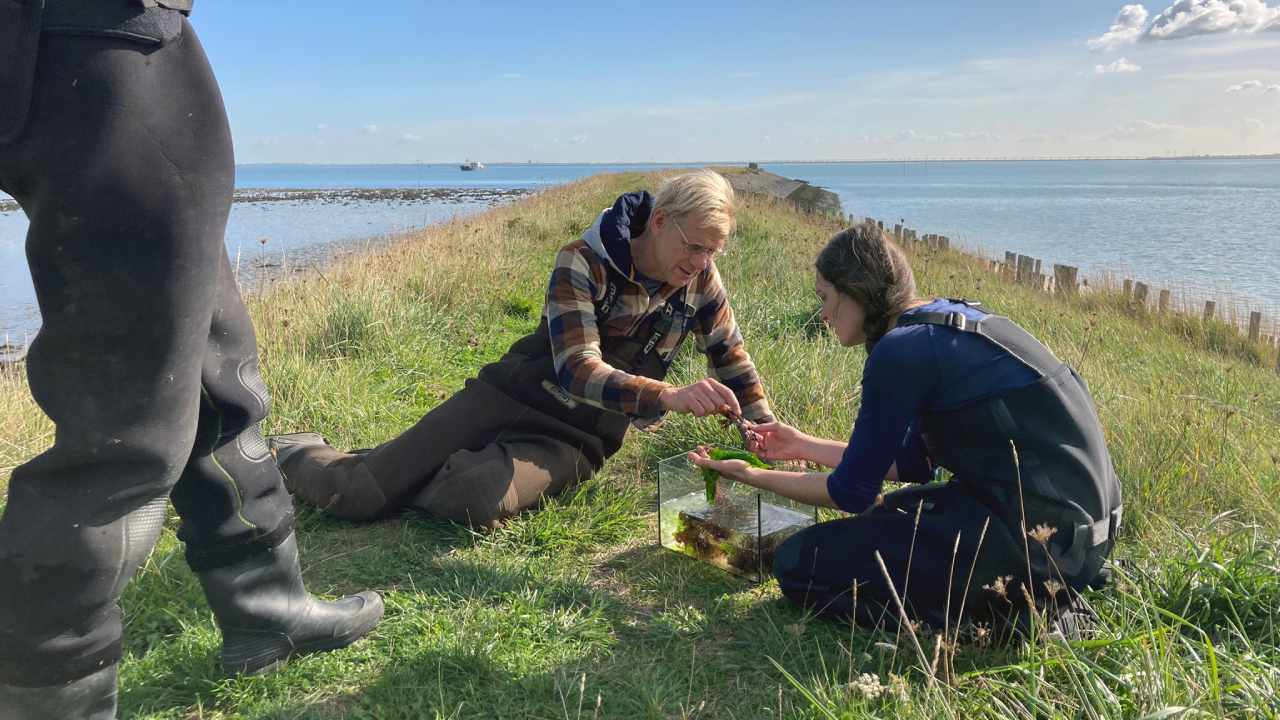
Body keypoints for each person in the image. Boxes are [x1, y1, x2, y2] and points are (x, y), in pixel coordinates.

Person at [0, 4, 383, 718]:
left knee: (210, 356)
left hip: (98, 36)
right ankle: (52, 695)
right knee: (127, 431)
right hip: (93, 30)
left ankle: (267, 611)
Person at [272, 170, 774, 528]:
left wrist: (768, 434)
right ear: (661, 221)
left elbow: (731, 357)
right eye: (695, 246)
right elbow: (576, 369)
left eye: (714, 250)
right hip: (508, 397)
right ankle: (292, 449)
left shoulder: (701, 279)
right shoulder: (581, 261)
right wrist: (665, 396)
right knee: (359, 496)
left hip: (577, 438)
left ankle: (410, 465)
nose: (702, 262)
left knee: (472, 496)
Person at [690, 222, 1122, 635]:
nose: (822, 314)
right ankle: (1037, 592)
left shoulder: (899, 351)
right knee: (899, 510)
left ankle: (1013, 619)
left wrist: (751, 475)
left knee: (798, 563)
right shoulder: (944, 323)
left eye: (825, 297)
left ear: (855, 291)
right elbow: (914, 463)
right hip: (1082, 536)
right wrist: (800, 444)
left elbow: (850, 493)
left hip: (1039, 545)